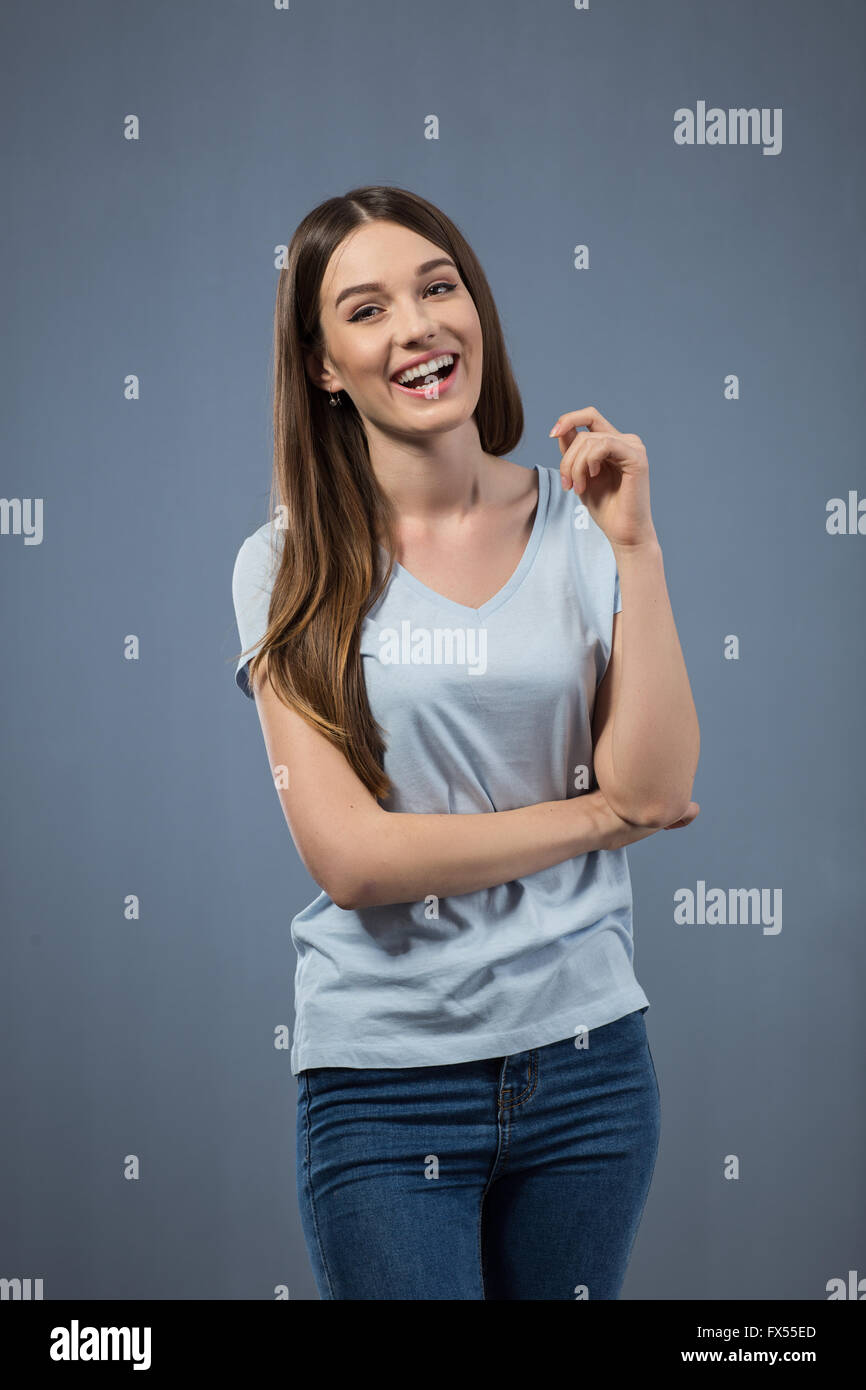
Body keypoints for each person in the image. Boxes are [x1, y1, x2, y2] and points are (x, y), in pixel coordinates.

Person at [231, 185, 700, 1300]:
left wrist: (635, 549)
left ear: (475, 307)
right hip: (385, 1080)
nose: (417, 326)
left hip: (589, 1064)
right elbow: (352, 860)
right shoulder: (282, 566)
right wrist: (599, 818)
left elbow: (665, 779)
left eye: (437, 288)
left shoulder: (584, 523)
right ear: (322, 367)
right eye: (366, 309)